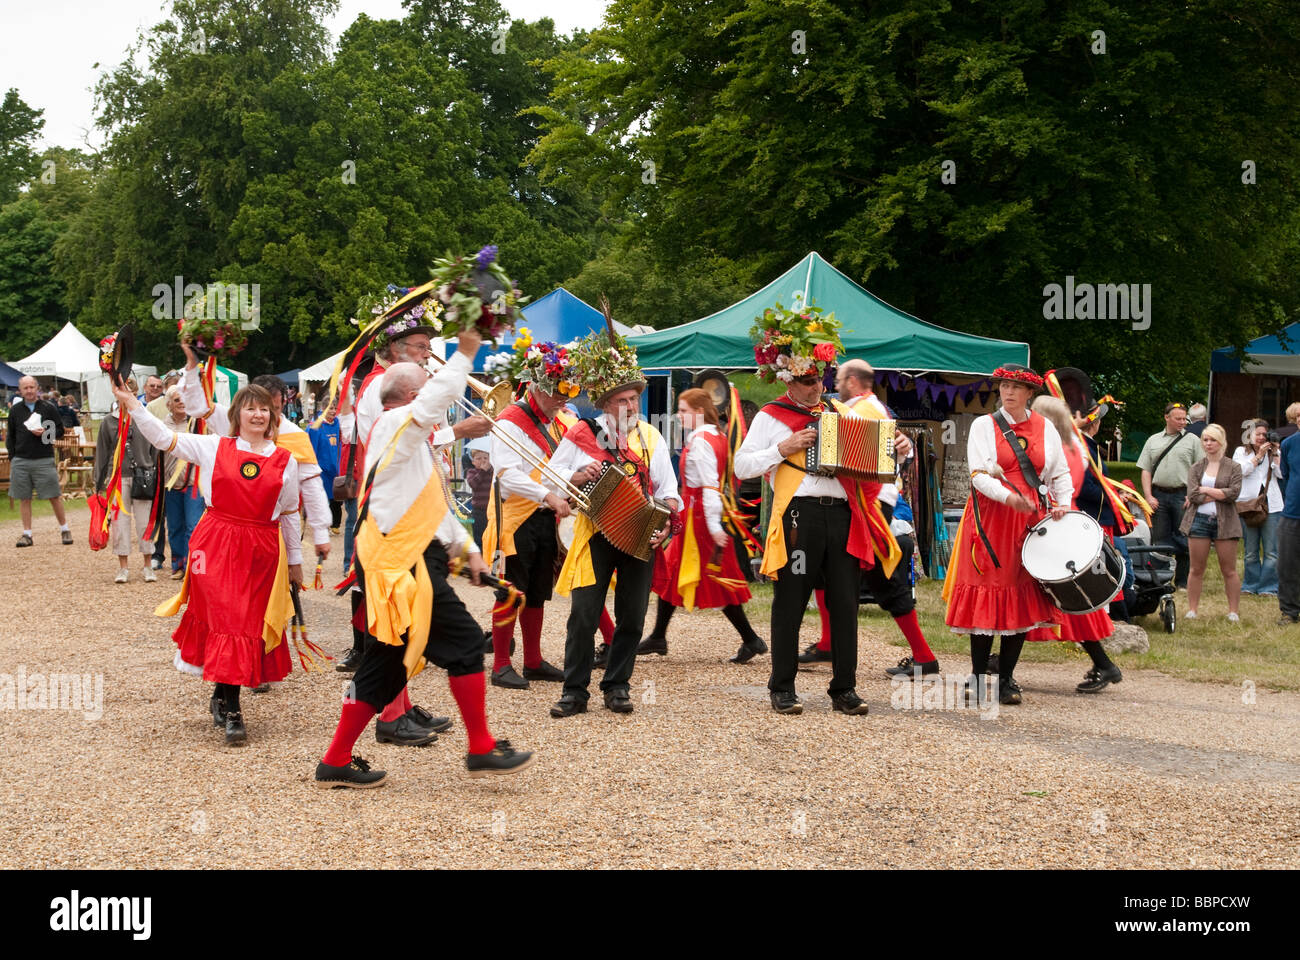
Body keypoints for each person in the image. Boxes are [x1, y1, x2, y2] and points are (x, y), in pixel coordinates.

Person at [312, 348, 535, 787]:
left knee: (385, 664)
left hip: (409, 558)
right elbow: (436, 400)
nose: (440, 404)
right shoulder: (398, 424)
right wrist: (467, 348)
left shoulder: (408, 442)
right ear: (414, 395)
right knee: (468, 643)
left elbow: (433, 509)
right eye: (428, 387)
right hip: (404, 563)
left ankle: (334, 760)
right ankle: (481, 747)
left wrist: (466, 549)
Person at [112, 379, 304, 745]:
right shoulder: (214, 446)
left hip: (262, 548)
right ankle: (233, 709)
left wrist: (294, 560)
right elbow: (163, 439)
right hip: (216, 542)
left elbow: (291, 513)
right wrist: (132, 405)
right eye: (250, 407)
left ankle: (221, 691)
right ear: (237, 414)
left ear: (273, 415)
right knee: (228, 617)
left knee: (246, 622)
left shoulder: (286, 461)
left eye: (264, 408)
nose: (258, 414)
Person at [735, 307, 898, 716]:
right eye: (808, 381)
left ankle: (844, 688)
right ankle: (782, 687)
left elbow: (873, 463)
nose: (816, 388)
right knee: (791, 598)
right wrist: (782, 449)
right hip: (798, 515)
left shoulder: (840, 414)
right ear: (789, 379)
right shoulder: (773, 416)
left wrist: (897, 450)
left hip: (842, 515)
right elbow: (741, 466)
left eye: (820, 379)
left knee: (844, 601)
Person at [545, 328, 680, 718]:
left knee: (633, 617)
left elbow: (669, 492)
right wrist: (577, 476)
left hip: (640, 533)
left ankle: (617, 685)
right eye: (622, 399)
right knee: (584, 614)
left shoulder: (651, 436)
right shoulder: (582, 433)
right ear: (605, 403)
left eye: (634, 398)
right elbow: (548, 478)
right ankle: (574, 691)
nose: (630, 405)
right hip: (593, 532)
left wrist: (666, 520)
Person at [793, 359, 938, 678]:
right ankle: (829, 645)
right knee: (827, 570)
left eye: (841, 379)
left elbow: (890, 448)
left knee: (883, 578)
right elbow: (901, 447)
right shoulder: (871, 408)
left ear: (854, 382)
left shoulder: (860, 410)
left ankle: (924, 656)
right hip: (866, 502)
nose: (836, 385)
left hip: (868, 504)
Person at [943, 365, 1072, 706]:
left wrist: (1064, 505)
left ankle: (1006, 678)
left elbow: (1060, 474)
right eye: (1004, 385)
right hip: (991, 518)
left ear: (1031, 393)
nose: (1009, 392)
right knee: (988, 589)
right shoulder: (984, 425)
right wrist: (1009, 498)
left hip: (1030, 520)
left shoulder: (1045, 427)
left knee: (1021, 592)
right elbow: (979, 475)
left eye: (1017, 387)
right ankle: (976, 675)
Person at [639, 388, 768, 663]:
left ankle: (750, 638)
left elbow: (709, 486)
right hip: (698, 515)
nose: (678, 415)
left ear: (698, 412)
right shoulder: (718, 436)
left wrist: (713, 525)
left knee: (704, 576)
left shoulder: (700, 441)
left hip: (698, 518)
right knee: (679, 572)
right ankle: (659, 636)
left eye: (684, 410)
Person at [480, 343, 580, 689]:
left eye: (569, 391)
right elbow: (508, 473)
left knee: (537, 591)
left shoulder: (553, 422)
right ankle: (502, 665)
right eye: (558, 393)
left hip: (541, 515)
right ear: (537, 388)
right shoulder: (510, 422)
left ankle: (534, 661)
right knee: (511, 590)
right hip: (514, 517)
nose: (564, 400)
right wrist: (549, 495)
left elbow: (554, 469)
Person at [1028, 395, 1124, 693]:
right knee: (1055, 598)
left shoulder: (1058, 450)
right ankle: (1000, 659)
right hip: (1062, 524)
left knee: (1061, 600)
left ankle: (1104, 664)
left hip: (1055, 524)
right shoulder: (1074, 447)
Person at [92, 399, 161, 583]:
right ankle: (123, 567)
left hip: (143, 476)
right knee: (119, 524)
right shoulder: (108, 421)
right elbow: (102, 452)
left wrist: (152, 472)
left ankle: (148, 565)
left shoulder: (145, 418)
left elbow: (154, 448)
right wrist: (99, 482)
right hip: (117, 478)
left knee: (145, 522)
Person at [1179, 424, 1242, 621]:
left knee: (1229, 569)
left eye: (1212, 440)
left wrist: (1206, 490)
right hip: (1198, 520)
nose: (1208, 444)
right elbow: (1193, 495)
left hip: (1226, 522)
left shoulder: (1233, 466)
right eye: (1205, 440)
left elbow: (1233, 494)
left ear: (1221, 442)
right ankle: (1193, 609)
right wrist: (1219, 494)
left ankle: (1233, 611)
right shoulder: (1197, 467)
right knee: (1196, 568)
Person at [1138, 403, 1201, 589]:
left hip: (1183, 495)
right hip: (1158, 495)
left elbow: (1201, 470)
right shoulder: (1153, 441)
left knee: (1184, 538)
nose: (1183, 422)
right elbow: (1145, 470)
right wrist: (1148, 496)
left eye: (1184, 419)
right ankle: (1161, 580)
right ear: (1167, 418)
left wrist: (1193, 494)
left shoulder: (1193, 441)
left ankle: (1182, 582)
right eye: (1178, 418)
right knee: (1159, 539)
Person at [8, 376, 72, 548]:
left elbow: (59, 431)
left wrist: (45, 433)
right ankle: (27, 534)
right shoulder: (15, 411)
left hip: (43, 458)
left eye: (31, 387)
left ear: (37, 388)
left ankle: (65, 529)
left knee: (54, 495)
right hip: (21, 460)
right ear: (20, 390)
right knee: (24, 497)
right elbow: (10, 436)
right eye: (25, 388)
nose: (29, 391)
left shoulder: (48, 408)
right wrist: (13, 458)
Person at [159, 387, 206, 580]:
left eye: (184, 399)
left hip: (194, 482)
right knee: (175, 525)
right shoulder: (162, 425)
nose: (181, 403)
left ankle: (191, 566)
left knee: (194, 525)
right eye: (177, 399)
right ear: (169, 403)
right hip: (170, 483)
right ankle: (177, 565)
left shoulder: (199, 424)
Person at [1233, 420, 1282, 597]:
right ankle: (1250, 584)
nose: (1261, 438)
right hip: (1249, 504)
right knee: (1251, 550)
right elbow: (1239, 471)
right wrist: (1258, 456)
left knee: (1271, 550)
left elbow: (1281, 473)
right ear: (1249, 435)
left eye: (1264, 434)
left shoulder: (1273, 452)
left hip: (1272, 504)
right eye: (1257, 434)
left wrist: (1274, 453)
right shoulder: (1241, 452)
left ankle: (1268, 587)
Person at [307, 399, 343, 534]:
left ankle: (335, 524)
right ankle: (323, 525)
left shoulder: (338, 424)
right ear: (323, 409)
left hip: (336, 468)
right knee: (323, 498)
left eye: (335, 408)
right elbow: (311, 448)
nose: (333, 411)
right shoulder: (316, 426)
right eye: (330, 408)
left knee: (337, 498)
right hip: (322, 469)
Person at [1276, 426, 1300, 625]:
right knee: (1287, 564)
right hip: (1292, 511)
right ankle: (1289, 611)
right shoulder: (1289, 443)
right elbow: (1286, 474)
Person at [465, 442, 493, 550]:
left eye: (485, 458)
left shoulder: (493, 472)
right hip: (479, 510)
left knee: (493, 537)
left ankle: (495, 565)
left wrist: (488, 470)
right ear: (473, 461)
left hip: (492, 509)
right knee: (479, 538)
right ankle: (481, 562)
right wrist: (482, 471)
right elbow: (473, 484)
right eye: (479, 458)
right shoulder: (472, 472)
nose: (483, 461)